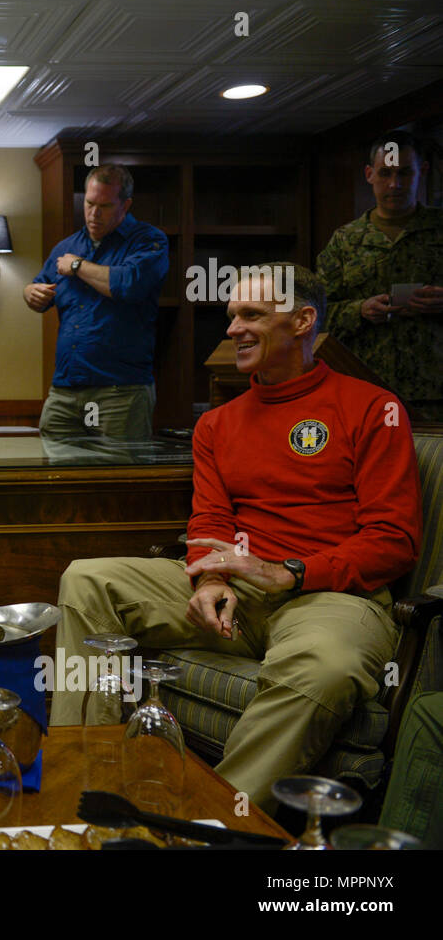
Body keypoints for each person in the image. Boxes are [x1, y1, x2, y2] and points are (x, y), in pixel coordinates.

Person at [48, 262, 421, 814]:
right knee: (87, 578)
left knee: (326, 665)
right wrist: (212, 576)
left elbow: (393, 541)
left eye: (251, 314)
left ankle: (212, 818)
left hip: (334, 597)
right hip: (237, 596)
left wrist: (290, 571)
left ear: (302, 321)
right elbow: (210, 524)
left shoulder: (373, 407)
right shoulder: (216, 424)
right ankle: (83, 785)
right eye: (231, 316)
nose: (232, 329)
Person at [23, 164, 169, 440]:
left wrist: (77, 266)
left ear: (125, 205)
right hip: (66, 388)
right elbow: (38, 292)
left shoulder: (149, 241)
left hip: (120, 392)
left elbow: (127, 285)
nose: (93, 214)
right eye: (89, 203)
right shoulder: (66, 247)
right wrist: (29, 292)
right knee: (55, 475)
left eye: (104, 206)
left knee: (119, 478)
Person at [316, 130, 443, 422]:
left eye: (404, 173)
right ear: (369, 174)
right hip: (366, 386)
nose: (394, 184)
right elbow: (316, 314)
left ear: (421, 172)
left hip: (435, 391)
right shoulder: (346, 241)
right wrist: (359, 310)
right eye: (385, 173)